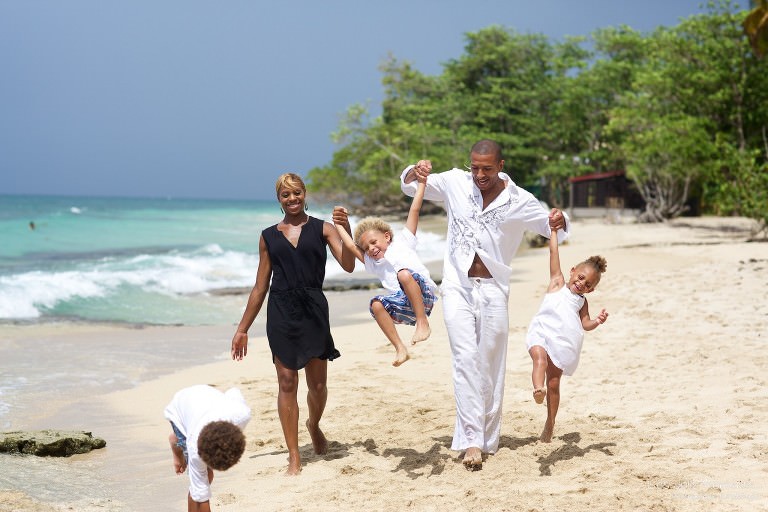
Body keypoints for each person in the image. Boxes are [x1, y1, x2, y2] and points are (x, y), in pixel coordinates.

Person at [400, 139, 568, 471]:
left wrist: (560, 220)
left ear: (501, 165)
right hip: (458, 286)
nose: (479, 175)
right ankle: (472, 441)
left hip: (494, 289)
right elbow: (409, 187)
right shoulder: (453, 183)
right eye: (474, 167)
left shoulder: (520, 200)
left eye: (487, 169)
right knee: (464, 360)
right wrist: (415, 170)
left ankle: (488, 438)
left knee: (490, 363)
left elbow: (555, 231)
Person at [230, 172, 355, 475]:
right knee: (287, 382)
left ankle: (313, 424)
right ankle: (294, 455)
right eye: (286, 195)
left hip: (313, 310)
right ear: (279, 200)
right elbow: (260, 287)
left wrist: (345, 228)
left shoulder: (323, 229)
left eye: (296, 193)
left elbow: (349, 265)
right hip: (282, 311)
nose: (292, 199)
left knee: (318, 385)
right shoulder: (268, 236)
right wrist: (242, 328)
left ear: (304, 194)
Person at [333, 175, 438, 367]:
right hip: (404, 307)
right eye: (366, 247)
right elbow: (349, 244)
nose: (371, 249)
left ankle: (423, 323)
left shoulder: (404, 243)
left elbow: (415, 208)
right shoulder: (372, 262)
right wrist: (338, 223)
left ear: (387, 236)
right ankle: (400, 348)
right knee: (376, 304)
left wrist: (422, 182)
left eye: (374, 242)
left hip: (424, 297)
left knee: (403, 274)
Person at [526, 227, 608, 443]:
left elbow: (585, 324)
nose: (581, 283)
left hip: (562, 341)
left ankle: (550, 423)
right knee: (539, 358)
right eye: (580, 277)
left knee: (554, 383)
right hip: (541, 331)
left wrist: (596, 322)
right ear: (572, 271)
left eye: (587, 284)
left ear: (590, 290)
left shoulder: (582, 301)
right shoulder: (557, 282)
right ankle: (537, 389)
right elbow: (553, 253)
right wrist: (553, 232)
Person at [164, 384, 251, 512]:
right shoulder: (195, 448)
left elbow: (234, 391)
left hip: (205, 397)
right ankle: (177, 441)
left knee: (204, 475)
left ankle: (177, 440)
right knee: (206, 477)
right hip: (180, 412)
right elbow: (199, 493)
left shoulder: (242, 414)